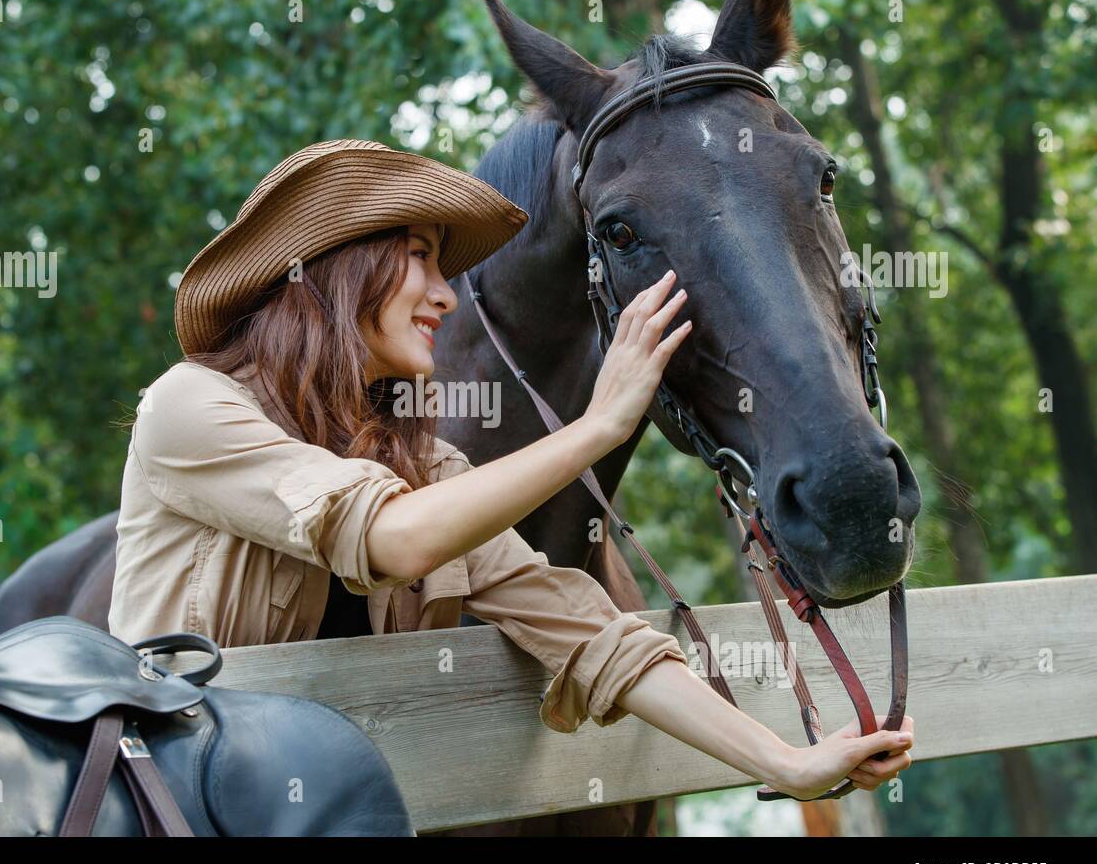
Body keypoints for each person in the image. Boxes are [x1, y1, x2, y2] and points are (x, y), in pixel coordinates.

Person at [109, 138, 914, 803]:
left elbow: (591, 635)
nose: (445, 295)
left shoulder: (421, 466)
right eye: (419, 259)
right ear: (338, 269)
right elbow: (392, 540)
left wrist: (785, 762)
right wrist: (600, 424)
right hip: (180, 810)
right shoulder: (188, 409)